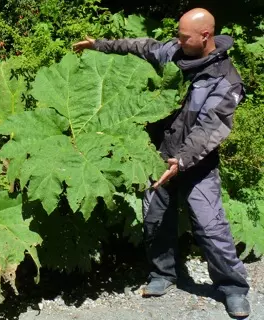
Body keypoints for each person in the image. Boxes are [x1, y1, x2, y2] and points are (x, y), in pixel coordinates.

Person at [73, 7, 250, 317]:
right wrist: (98, 44)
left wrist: (180, 161)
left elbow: (209, 130)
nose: (177, 40)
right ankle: (163, 274)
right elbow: (141, 45)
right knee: (155, 219)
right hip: (156, 154)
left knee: (210, 226)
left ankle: (233, 287)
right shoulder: (175, 53)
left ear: (205, 36)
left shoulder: (225, 80)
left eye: (184, 36)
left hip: (197, 163)